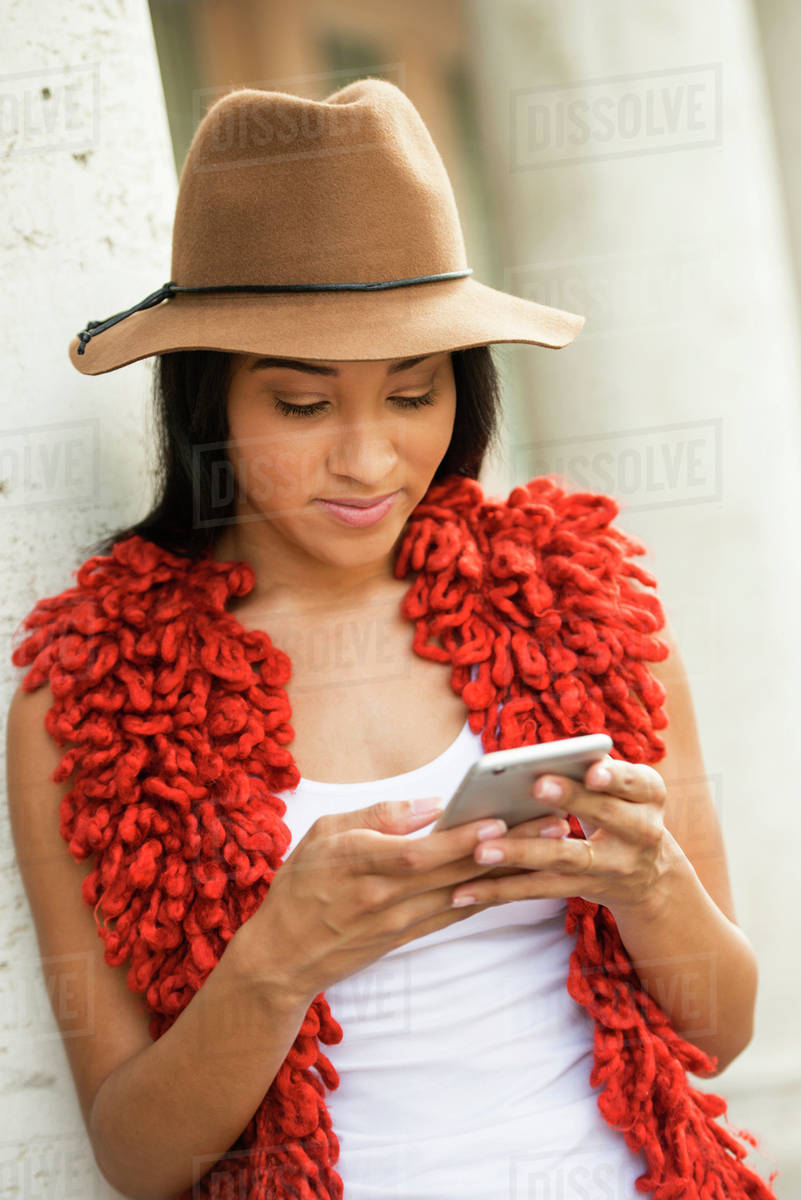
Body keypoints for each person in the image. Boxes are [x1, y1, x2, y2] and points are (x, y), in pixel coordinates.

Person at [6, 79, 778, 1200]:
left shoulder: (583, 604)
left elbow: (723, 1033)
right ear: (205, 402)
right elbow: (136, 1155)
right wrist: (277, 961)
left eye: (412, 394)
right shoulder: (94, 694)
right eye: (304, 407)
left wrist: (651, 883)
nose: (369, 462)